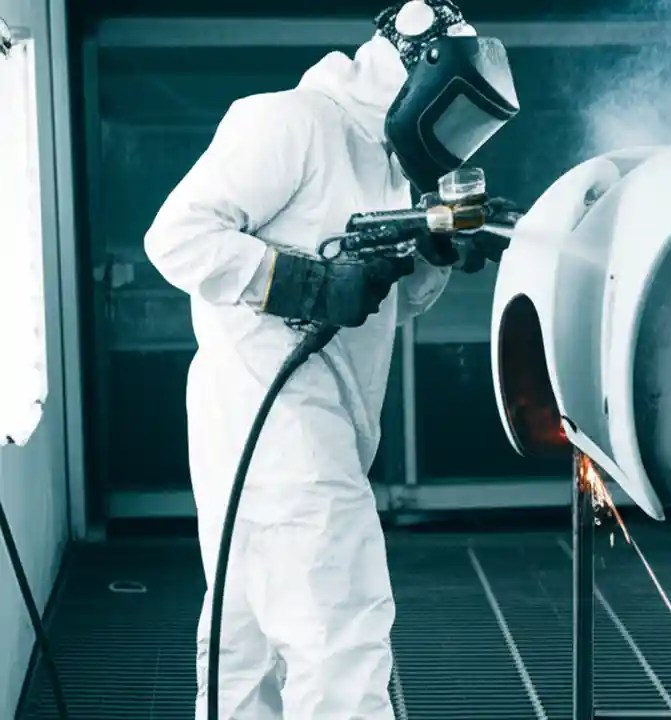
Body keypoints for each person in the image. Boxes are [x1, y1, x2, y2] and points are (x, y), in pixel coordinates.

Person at [144, 2, 516, 717]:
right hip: (276, 414)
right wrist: (308, 284)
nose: (455, 141)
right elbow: (177, 238)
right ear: (417, 73)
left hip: (288, 424)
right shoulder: (290, 122)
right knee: (342, 630)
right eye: (455, 116)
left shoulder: (386, 162)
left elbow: (390, 309)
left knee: (244, 644)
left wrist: (431, 256)